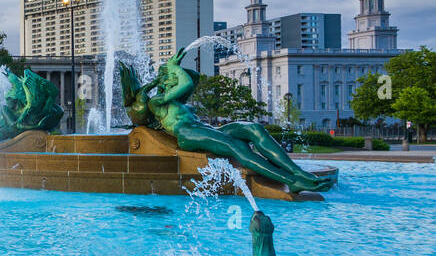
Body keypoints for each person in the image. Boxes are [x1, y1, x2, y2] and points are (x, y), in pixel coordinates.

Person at [139, 49, 332, 194]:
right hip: (187, 133)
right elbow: (187, 83)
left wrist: (176, 67)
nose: (177, 78)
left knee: (254, 128)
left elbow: (192, 79)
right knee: (236, 146)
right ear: (165, 82)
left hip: (205, 128)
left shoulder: (179, 100)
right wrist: (172, 69)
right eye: (173, 77)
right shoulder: (157, 102)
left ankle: (298, 172)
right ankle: (289, 181)